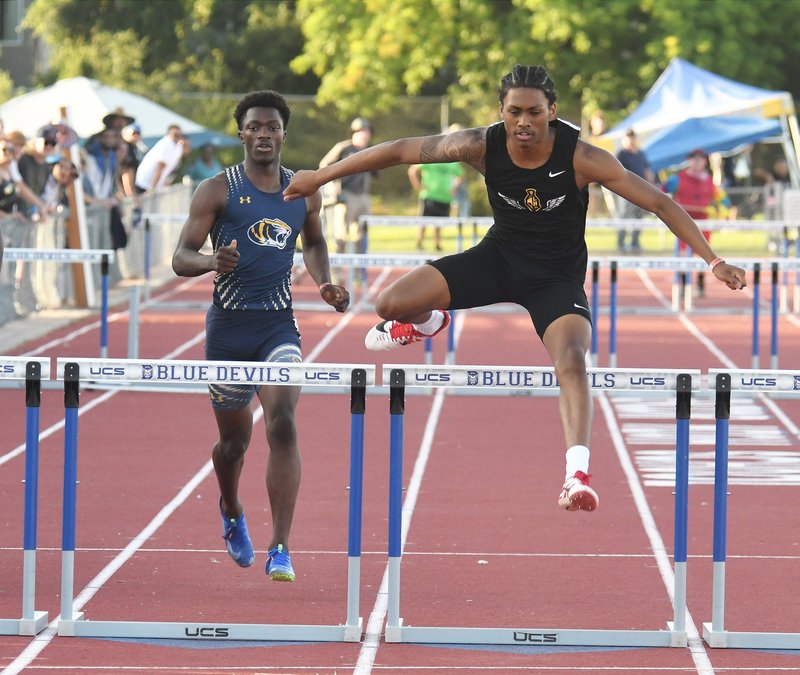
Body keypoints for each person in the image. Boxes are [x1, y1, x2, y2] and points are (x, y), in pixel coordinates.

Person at [284, 64, 747, 513]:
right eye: (514, 112)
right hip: (498, 259)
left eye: (534, 112)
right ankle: (426, 323)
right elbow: (400, 150)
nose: (524, 122)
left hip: (556, 278)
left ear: (552, 111)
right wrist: (319, 177)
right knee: (390, 304)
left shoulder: (582, 157)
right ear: (501, 112)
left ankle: (577, 475)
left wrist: (714, 260)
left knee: (572, 361)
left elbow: (659, 203)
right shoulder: (478, 145)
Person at [172, 89, 349, 582]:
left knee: (283, 424)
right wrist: (211, 261)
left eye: (272, 126)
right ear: (242, 134)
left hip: (277, 326)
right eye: (255, 127)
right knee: (233, 444)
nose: (264, 134)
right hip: (228, 330)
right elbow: (180, 257)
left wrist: (325, 282)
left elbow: (314, 242)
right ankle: (230, 508)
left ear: (283, 133)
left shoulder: (304, 189)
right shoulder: (216, 190)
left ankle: (280, 547)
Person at [661, 149, 735, 297]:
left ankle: (700, 286)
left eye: (700, 159)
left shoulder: (709, 181)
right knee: (683, 255)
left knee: (704, 255)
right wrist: (670, 206)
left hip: (704, 224)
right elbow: (661, 191)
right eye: (693, 159)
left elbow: (724, 200)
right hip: (682, 222)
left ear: (704, 162)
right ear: (688, 161)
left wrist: (721, 209)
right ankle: (683, 287)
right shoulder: (677, 179)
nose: (696, 162)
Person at [318, 117, 376, 256]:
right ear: (353, 133)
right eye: (361, 131)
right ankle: (337, 268)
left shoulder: (371, 150)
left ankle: (359, 269)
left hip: (363, 195)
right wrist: (333, 185)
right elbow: (324, 165)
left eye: (367, 131)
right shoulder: (344, 148)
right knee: (341, 234)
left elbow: (377, 171)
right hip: (346, 194)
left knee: (361, 235)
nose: (364, 135)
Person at [408, 158, 463, 251]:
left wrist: (454, 189)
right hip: (429, 197)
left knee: (439, 224)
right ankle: (419, 243)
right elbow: (412, 171)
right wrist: (418, 186)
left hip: (445, 198)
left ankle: (437, 244)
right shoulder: (430, 159)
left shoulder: (452, 162)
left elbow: (460, 176)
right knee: (423, 222)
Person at [614, 129, 655, 253]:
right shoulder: (621, 154)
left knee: (639, 217)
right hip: (625, 191)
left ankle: (635, 243)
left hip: (641, 191)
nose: (631, 140)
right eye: (628, 138)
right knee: (624, 217)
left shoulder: (641, 154)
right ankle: (621, 244)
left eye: (632, 137)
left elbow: (647, 171)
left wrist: (651, 187)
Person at [135, 125, 185, 193]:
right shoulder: (167, 144)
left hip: (148, 184)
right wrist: (152, 188)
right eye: (175, 135)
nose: (177, 137)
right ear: (168, 134)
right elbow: (160, 168)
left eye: (179, 135)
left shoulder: (174, 146)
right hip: (145, 184)